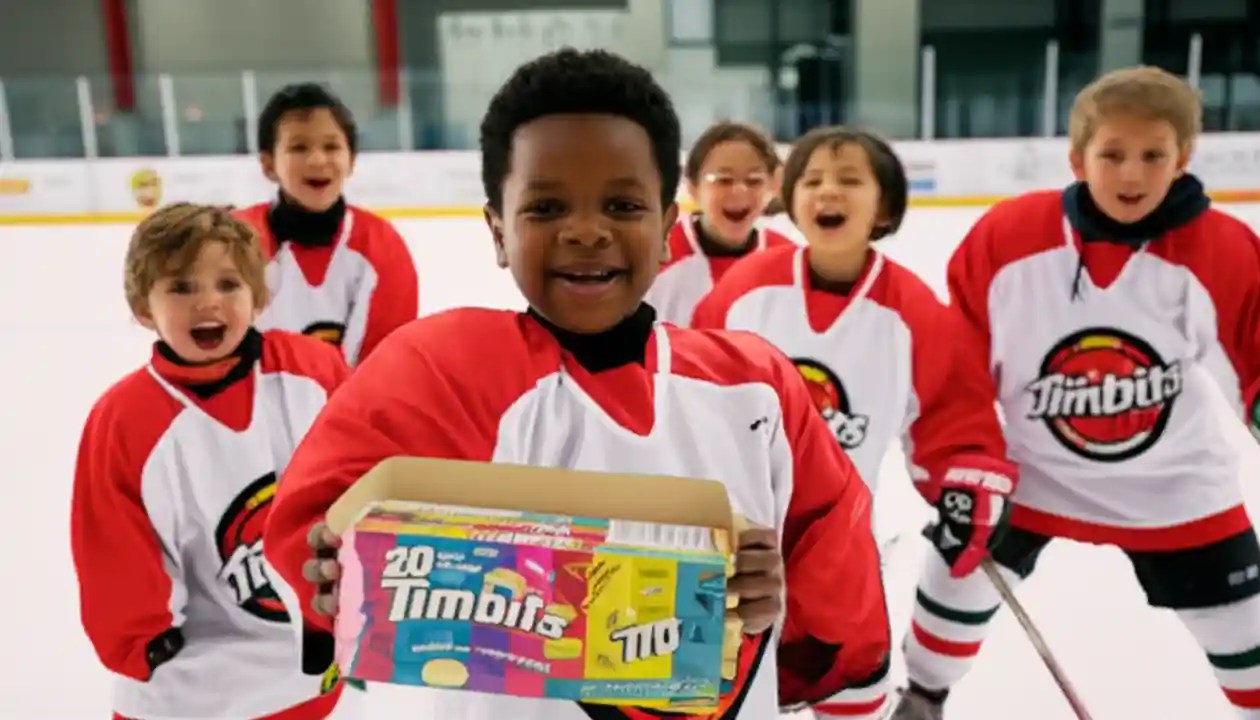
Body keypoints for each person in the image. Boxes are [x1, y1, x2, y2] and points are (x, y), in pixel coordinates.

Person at [262, 48, 892, 720]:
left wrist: (780, 596)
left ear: (666, 228)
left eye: (622, 204)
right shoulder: (440, 372)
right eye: (545, 207)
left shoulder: (759, 388)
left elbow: (833, 572)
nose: (587, 231)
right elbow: (313, 529)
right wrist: (335, 574)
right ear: (497, 230)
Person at [892, 65, 1260, 719]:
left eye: (1153, 155)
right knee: (953, 573)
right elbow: (955, 362)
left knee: (1255, 648)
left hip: (1174, 486)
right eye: (1113, 155)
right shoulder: (1009, 237)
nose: (1132, 174)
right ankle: (923, 696)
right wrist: (964, 462)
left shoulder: (1221, 249)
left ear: (1183, 158)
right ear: (1077, 159)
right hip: (1030, 473)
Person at [691, 126, 1018, 718]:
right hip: (738, 543)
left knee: (852, 694)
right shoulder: (746, 291)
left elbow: (955, 419)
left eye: (848, 180)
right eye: (811, 180)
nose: (826, 192)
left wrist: (965, 479)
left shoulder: (914, 313)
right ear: (789, 200)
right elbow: (691, 398)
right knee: (725, 695)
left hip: (840, 553)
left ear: (885, 206)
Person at [69, 203, 356, 719]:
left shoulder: (312, 371)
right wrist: (145, 646)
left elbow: (360, 478)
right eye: (181, 288)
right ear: (142, 307)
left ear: (258, 297)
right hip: (191, 685)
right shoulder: (123, 419)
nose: (208, 303)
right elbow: (111, 544)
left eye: (228, 284)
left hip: (302, 671)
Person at [235, 82, 419, 366]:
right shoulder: (235, 241)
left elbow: (385, 363)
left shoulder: (381, 246)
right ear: (269, 165)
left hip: (350, 408)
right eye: (298, 147)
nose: (317, 159)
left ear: (352, 160)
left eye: (332, 146)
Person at [645, 120, 794, 326]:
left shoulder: (788, 259)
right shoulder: (656, 258)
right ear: (693, 187)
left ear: (773, 186)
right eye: (723, 180)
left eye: (753, 180)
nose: (739, 190)